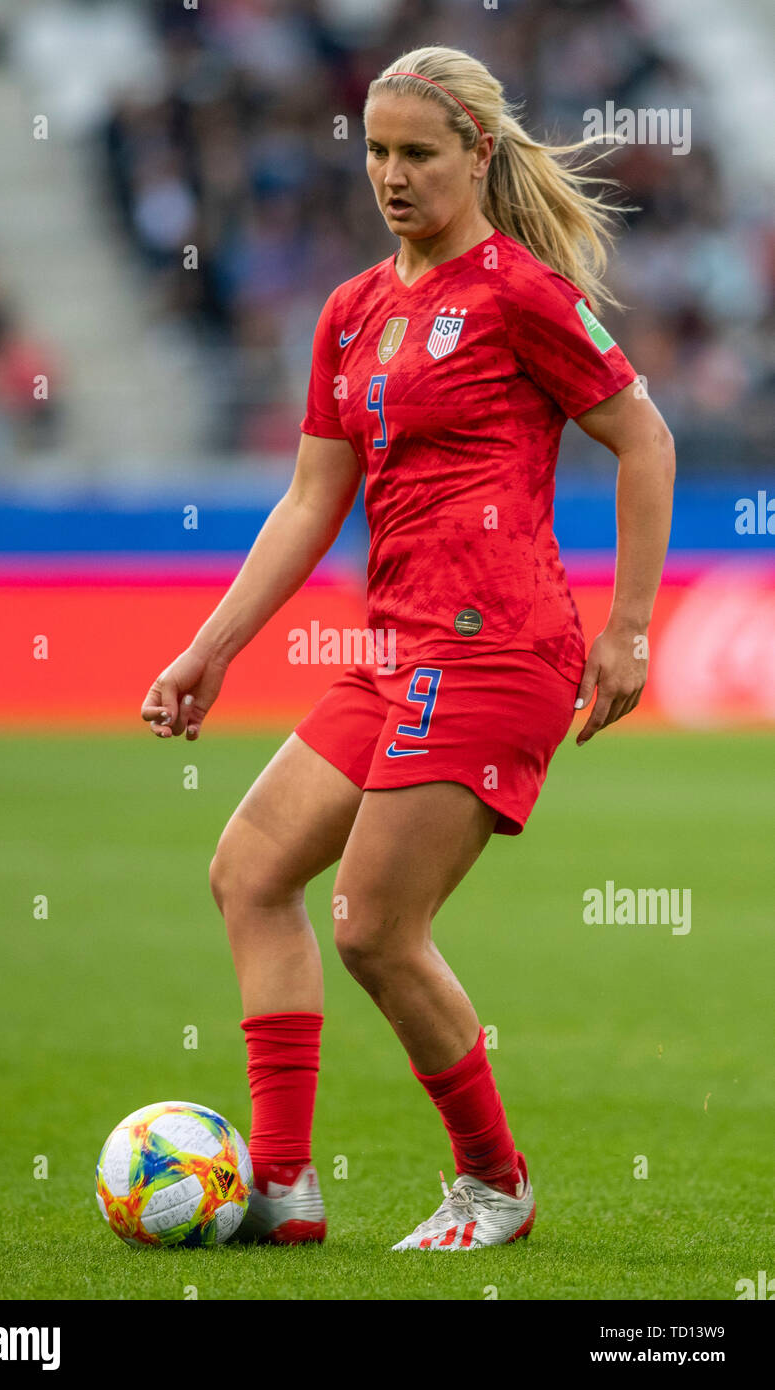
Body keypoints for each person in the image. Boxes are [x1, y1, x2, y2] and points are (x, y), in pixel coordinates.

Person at [141, 46, 675, 1251]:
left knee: (374, 923)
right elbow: (306, 504)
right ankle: (279, 1187)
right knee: (249, 870)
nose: (389, 174)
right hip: (393, 653)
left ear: (476, 155)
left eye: (416, 154)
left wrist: (628, 626)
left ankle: (496, 1183)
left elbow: (644, 441)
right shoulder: (352, 312)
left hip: (498, 649)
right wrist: (208, 648)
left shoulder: (519, 294)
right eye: (374, 151)